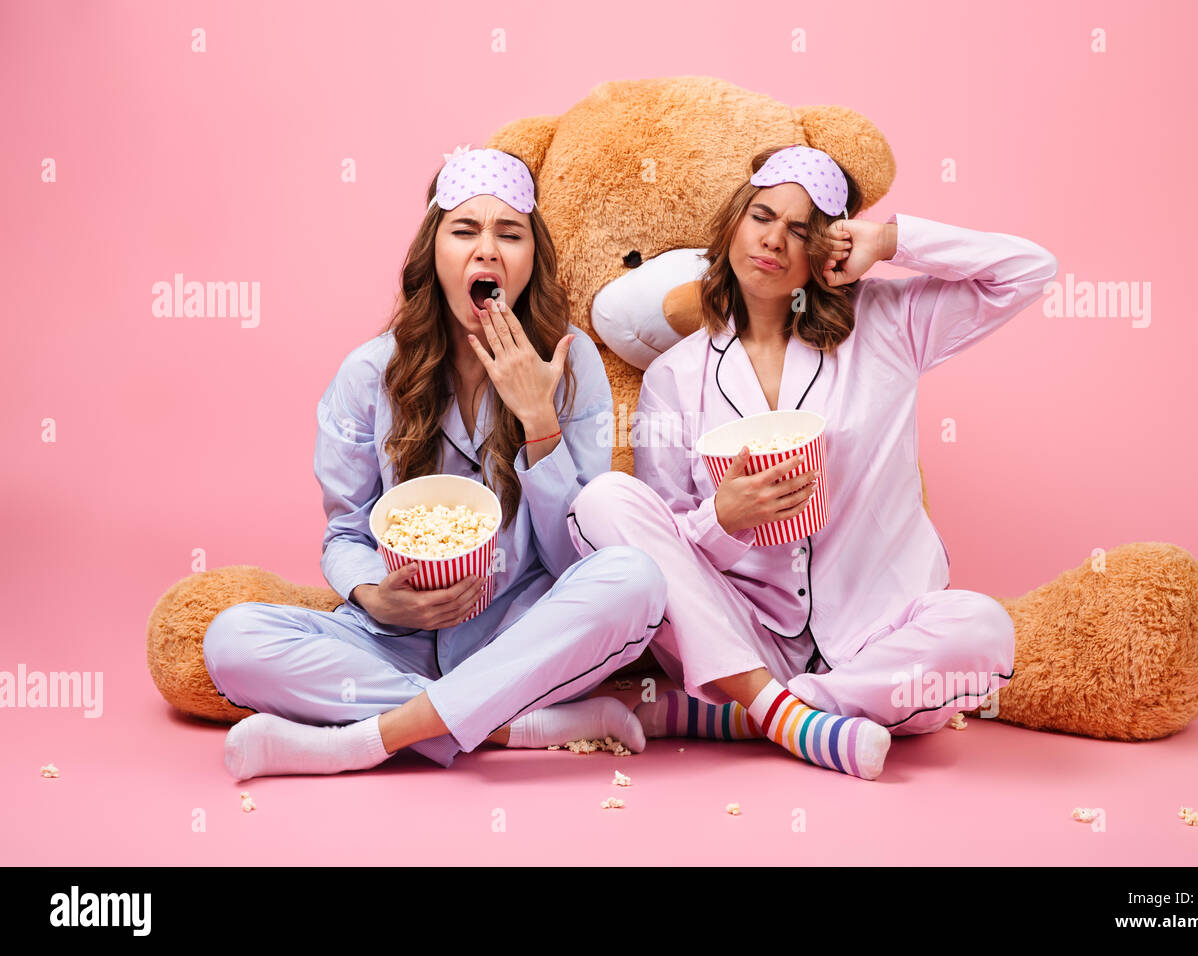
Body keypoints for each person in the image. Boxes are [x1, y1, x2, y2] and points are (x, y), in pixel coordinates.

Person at [567, 145, 1058, 780]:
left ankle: (759, 716)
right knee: (603, 500)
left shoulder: (889, 325)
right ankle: (793, 715)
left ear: (828, 247)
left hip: (875, 638)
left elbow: (1030, 271)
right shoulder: (674, 375)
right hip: (742, 637)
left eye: (800, 230)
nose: (773, 240)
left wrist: (888, 240)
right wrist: (723, 517)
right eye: (762, 216)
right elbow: (666, 545)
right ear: (734, 224)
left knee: (983, 629)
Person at [203, 148, 667, 781]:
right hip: (395, 644)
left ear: (533, 259)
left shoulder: (569, 361)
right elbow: (345, 534)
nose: (487, 250)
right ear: (433, 253)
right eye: (464, 231)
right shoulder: (368, 374)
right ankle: (512, 726)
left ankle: (366, 740)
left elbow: (572, 559)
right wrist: (377, 597)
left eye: (510, 233)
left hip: (521, 635)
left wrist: (539, 423)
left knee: (636, 576)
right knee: (231, 641)